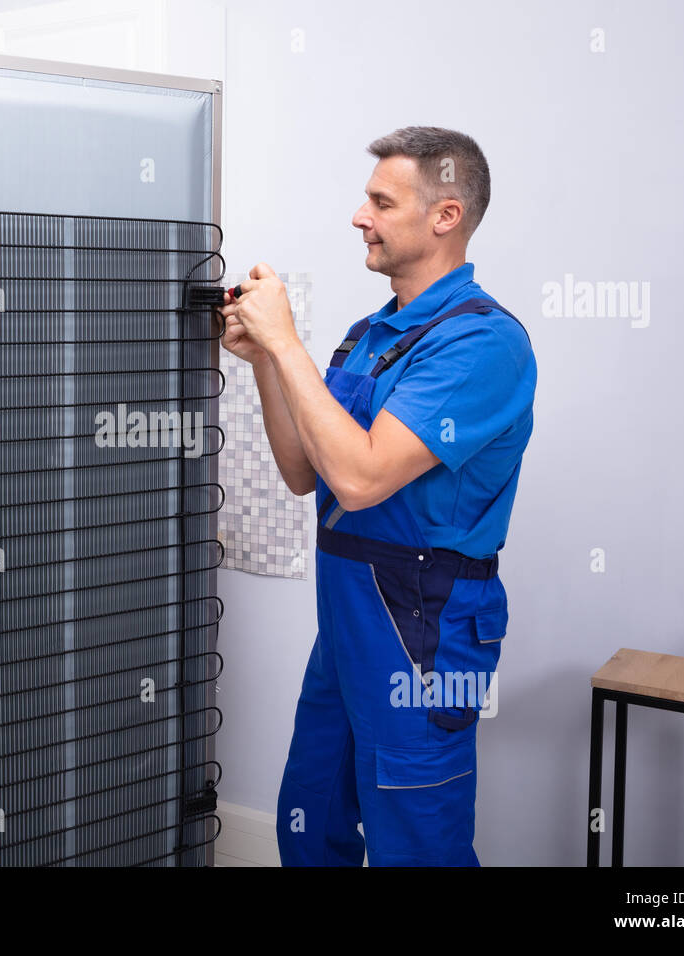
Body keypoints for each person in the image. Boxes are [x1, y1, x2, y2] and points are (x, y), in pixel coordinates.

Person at [217, 126, 536, 866]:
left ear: (445, 216)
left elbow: (360, 480)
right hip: (348, 625)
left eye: (381, 201)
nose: (359, 216)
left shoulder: (481, 344)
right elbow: (308, 473)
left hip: (422, 630)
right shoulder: (372, 333)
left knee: (416, 841)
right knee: (311, 816)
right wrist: (267, 358)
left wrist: (289, 341)